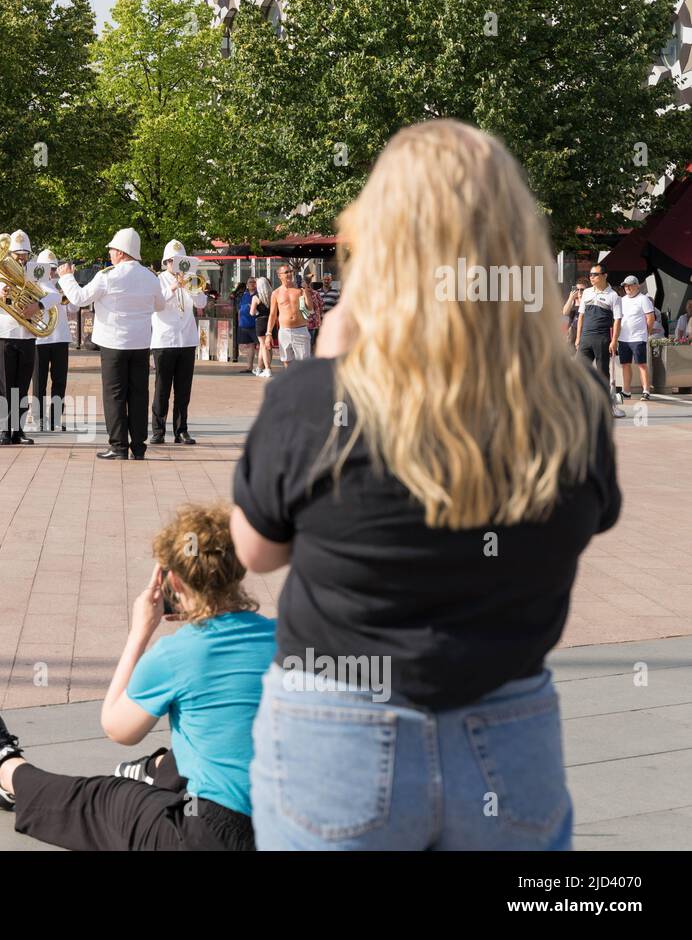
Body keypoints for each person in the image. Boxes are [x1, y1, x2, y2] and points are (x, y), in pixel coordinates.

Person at [231, 119, 620, 851]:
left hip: (338, 725)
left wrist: (332, 363)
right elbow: (585, 521)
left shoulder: (317, 399)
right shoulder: (574, 403)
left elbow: (256, 550)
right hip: (509, 729)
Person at [0, 502, 275, 851]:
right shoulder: (287, 636)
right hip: (288, 827)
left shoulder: (175, 655)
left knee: (102, 798)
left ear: (172, 579)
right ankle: (158, 770)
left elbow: (119, 728)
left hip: (211, 836)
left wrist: (139, 633)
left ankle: (5, 773)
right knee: (225, 726)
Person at [57, 228, 161, 460]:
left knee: (114, 395)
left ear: (122, 253)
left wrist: (66, 277)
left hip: (114, 344)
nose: (111, 254)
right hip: (141, 343)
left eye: (113, 250)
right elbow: (160, 305)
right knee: (138, 395)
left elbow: (80, 298)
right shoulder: (150, 277)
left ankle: (118, 446)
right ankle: (138, 446)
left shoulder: (108, 276)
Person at [0, 230, 44, 446]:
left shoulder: (33, 272)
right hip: (3, 334)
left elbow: (50, 294)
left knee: (23, 385)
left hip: (26, 334)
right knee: (5, 385)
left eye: (24, 254)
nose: (21, 258)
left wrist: (39, 305)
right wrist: (0, 295)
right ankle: (5, 429)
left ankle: (19, 430)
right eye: (17, 254)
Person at [151, 240, 207, 445]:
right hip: (164, 340)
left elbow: (201, 304)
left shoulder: (192, 281)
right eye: (174, 261)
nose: (177, 265)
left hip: (186, 340)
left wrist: (192, 286)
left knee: (183, 390)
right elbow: (155, 305)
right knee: (162, 389)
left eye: (182, 261)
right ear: (167, 262)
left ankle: (181, 430)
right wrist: (174, 287)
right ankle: (158, 431)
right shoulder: (158, 280)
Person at [31, 249, 75, 431]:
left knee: (59, 380)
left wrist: (69, 287)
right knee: (39, 381)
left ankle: (56, 417)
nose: (50, 272)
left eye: (53, 268)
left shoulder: (62, 283)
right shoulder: (33, 284)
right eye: (46, 268)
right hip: (40, 338)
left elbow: (73, 308)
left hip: (61, 337)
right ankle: (38, 417)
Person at [574, 262, 622, 415]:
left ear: (604, 276)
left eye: (595, 274)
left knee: (602, 373)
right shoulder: (587, 292)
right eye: (590, 274)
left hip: (602, 338)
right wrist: (578, 337)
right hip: (586, 338)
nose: (592, 277)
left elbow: (617, 320)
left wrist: (614, 340)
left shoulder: (613, 295)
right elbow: (581, 316)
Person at [264, 263, 314, 364]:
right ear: (280, 275)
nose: (290, 274)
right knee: (287, 361)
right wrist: (268, 333)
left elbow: (310, 308)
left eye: (291, 272)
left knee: (303, 364)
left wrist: (306, 291)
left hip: (300, 330)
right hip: (284, 331)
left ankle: (303, 380)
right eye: (286, 272)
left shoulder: (300, 290)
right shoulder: (276, 293)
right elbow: (272, 315)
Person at [616, 275, 656, 400]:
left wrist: (646, 333)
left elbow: (651, 318)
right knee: (625, 364)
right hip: (623, 338)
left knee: (641, 364)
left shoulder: (643, 299)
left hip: (638, 338)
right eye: (625, 285)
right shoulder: (622, 300)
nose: (627, 287)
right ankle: (626, 391)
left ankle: (646, 391)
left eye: (629, 285)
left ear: (637, 285)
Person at [250, 277, 273, 377]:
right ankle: (260, 368)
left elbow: (252, 312)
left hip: (260, 321)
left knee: (263, 345)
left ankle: (267, 369)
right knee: (266, 346)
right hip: (271, 321)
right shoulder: (273, 295)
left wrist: (257, 311)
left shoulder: (256, 297)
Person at [237, 277, 259, 373]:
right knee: (249, 346)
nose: (252, 284)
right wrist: (239, 321)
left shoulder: (258, 295)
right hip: (244, 324)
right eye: (250, 282)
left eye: (254, 282)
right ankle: (249, 367)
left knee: (259, 346)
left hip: (255, 324)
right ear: (247, 285)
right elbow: (240, 309)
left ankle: (261, 366)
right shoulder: (244, 295)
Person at [562, 273, 588, 340]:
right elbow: (565, 312)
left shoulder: (589, 300)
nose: (579, 292)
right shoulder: (573, 300)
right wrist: (571, 298)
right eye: (577, 289)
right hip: (572, 332)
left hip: (584, 332)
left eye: (582, 289)